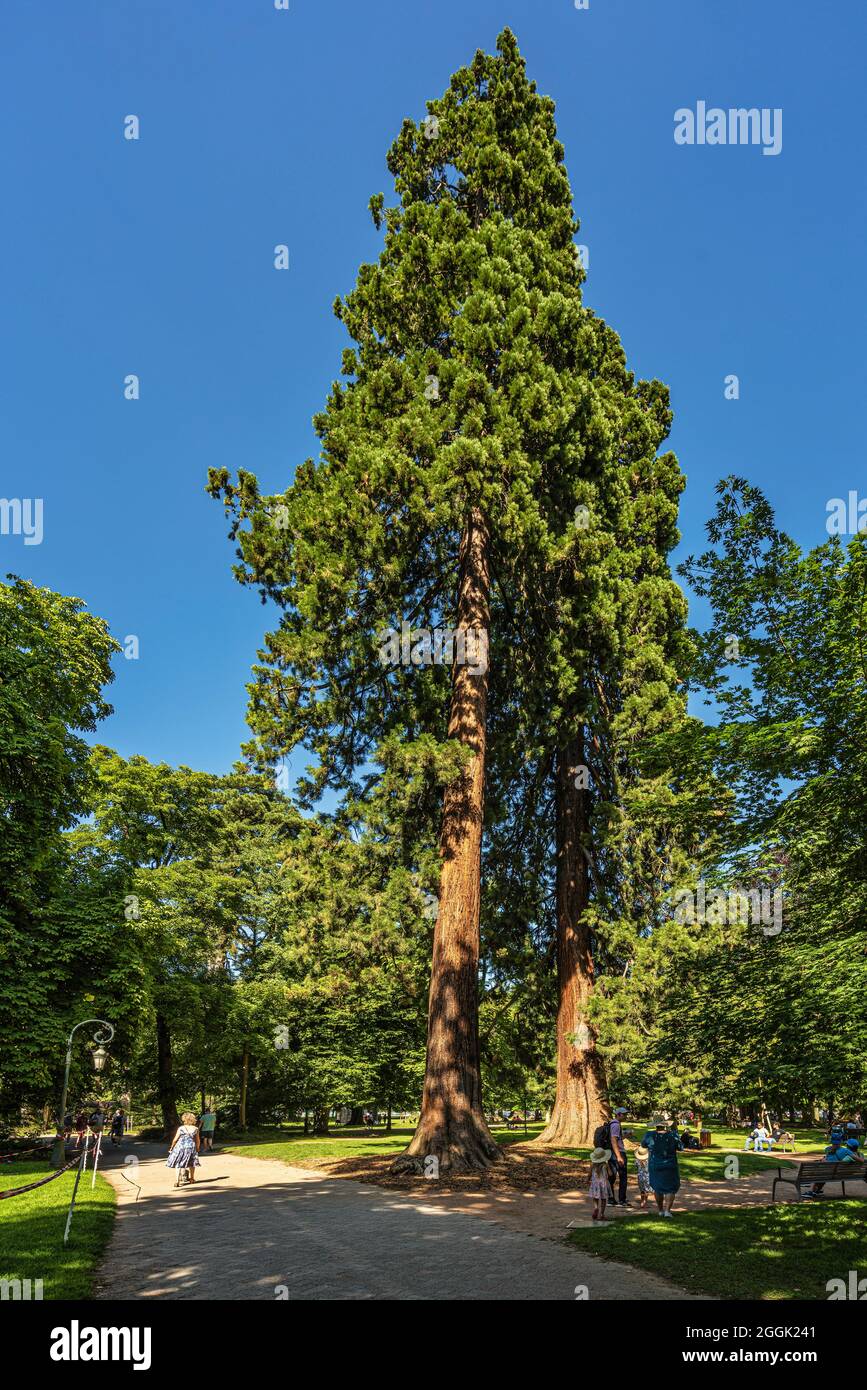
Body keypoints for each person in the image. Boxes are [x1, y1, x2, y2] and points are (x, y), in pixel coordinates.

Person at [642, 1115, 683, 1217]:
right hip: (670, 1165)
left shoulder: (649, 1135)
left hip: (655, 1165)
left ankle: (660, 1210)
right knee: (671, 1188)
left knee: (657, 1188)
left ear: (655, 1125)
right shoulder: (673, 1135)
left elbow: (643, 1145)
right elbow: (681, 1147)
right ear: (664, 1124)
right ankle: (667, 1211)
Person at [166, 1112, 201, 1184]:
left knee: (178, 1163)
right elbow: (197, 1140)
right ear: (193, 1119)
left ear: (184, 1119)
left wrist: (172, 1147)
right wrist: (197, 1148)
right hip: (191, 1147)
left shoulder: (181, 1128)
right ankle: (192, 1179)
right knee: (192, 1163)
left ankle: (177, 1181)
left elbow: (175, 1139)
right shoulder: (195, 1129)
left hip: (180, 1147)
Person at [608, 1106, 630, 1207]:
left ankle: (611, 1199)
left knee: (612, 1177)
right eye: (624, 1114)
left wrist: (625, 1136)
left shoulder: (614, 1124)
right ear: (618, 1114)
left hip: (613, 1153)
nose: (625, 1116)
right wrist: (619, 1156)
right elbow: (613, 1140)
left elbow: (617, 1139)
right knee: (622, 1177)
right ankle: (621, 1200)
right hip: (618, 1153)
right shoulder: (615, 1125)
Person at [589, 1146, 612, 1222]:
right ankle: (601, 1214)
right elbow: (610, 1174)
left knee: (595, 1197)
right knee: (603, 1199)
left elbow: (589, 1174)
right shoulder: (605, 1165)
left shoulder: (592, 1165)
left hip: (595, 1183)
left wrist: (588, 1179)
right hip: (603, 1184)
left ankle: (596, 1208)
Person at [635, 1144, 651, 1211]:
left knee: (642, 1190)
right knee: (646, 1190)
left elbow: (636, 1166)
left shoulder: (637, 1160)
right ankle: (645, 1202)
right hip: (647, 1177)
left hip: (640, 1176)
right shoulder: (648, 1161)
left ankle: (642, 1202)